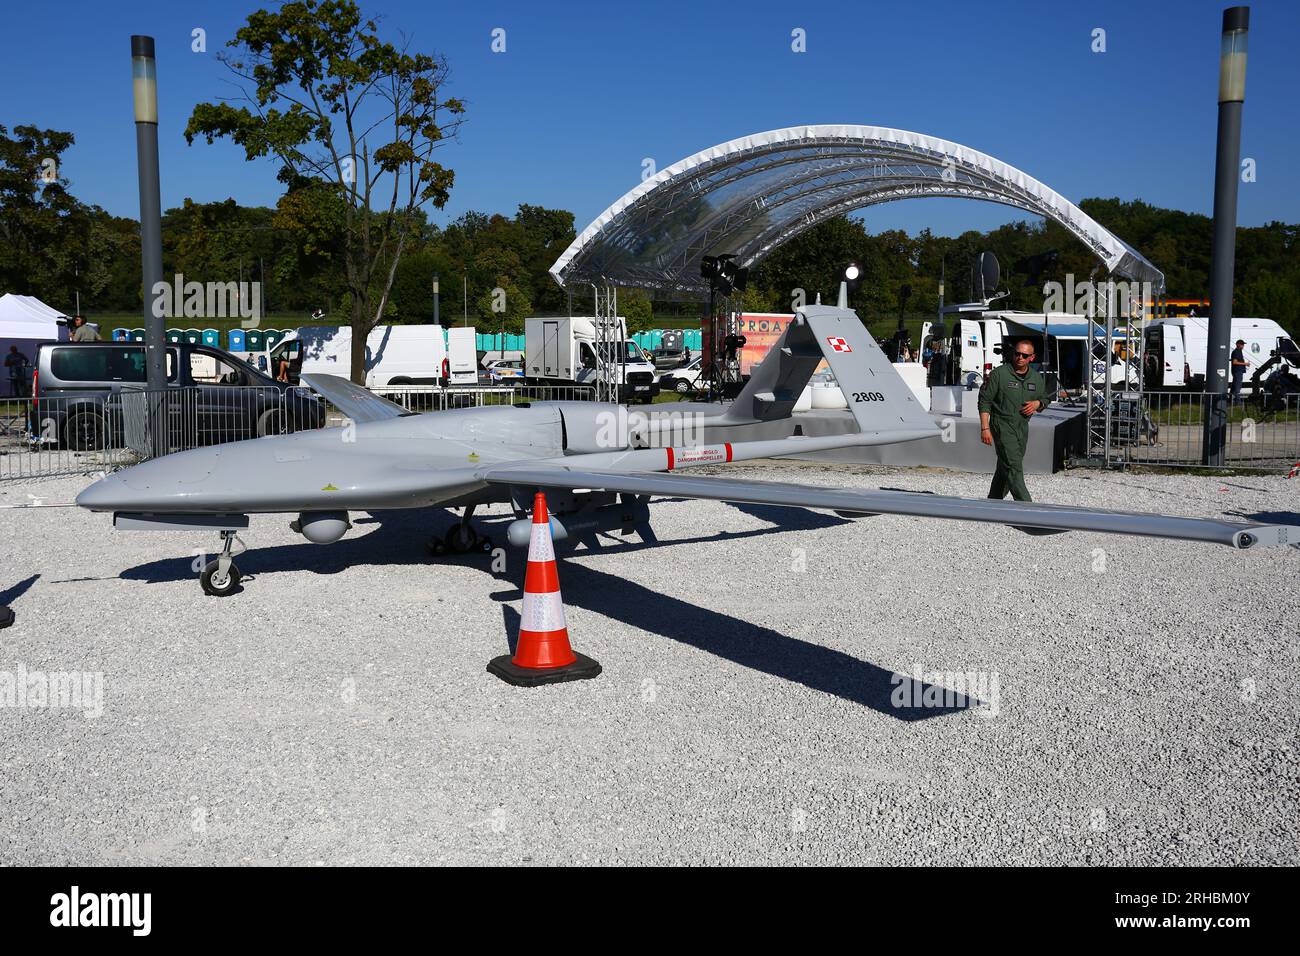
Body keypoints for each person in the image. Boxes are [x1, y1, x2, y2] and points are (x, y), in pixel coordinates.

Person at [978, 340, 1051, 502]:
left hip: (1022, 427)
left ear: (1032, 357)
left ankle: (993, 503)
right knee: (1013, 466)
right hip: (1001, 424)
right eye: (1017, 353)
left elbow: (1045, 398)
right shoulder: (999, 374)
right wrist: (985, 428)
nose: (1019, 358)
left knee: (1006, 465)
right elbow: (985, 401)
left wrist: (1037, 404)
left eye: (1024, 355)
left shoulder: (1036, 378)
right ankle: (1028, 511)